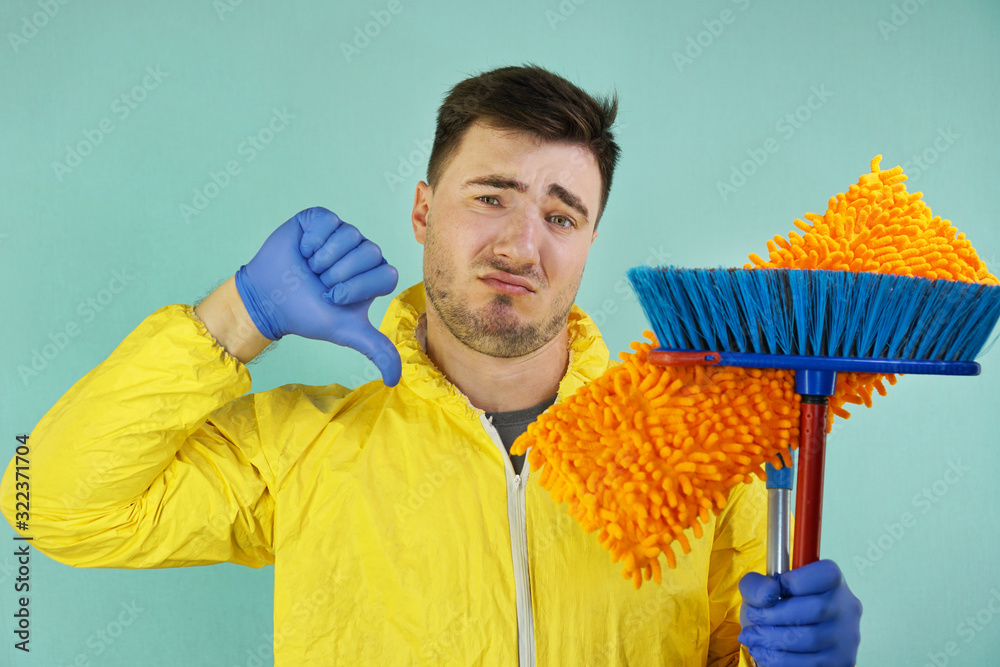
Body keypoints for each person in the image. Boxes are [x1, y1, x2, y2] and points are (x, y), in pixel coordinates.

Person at [1, 64, 861, 666]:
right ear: (423, 209)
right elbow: (52, 505)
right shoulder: (305, 444)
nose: (522, 243)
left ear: (591, 242)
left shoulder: (696, 455)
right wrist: (236, 315)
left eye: (562, 216)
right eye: (491, 197)